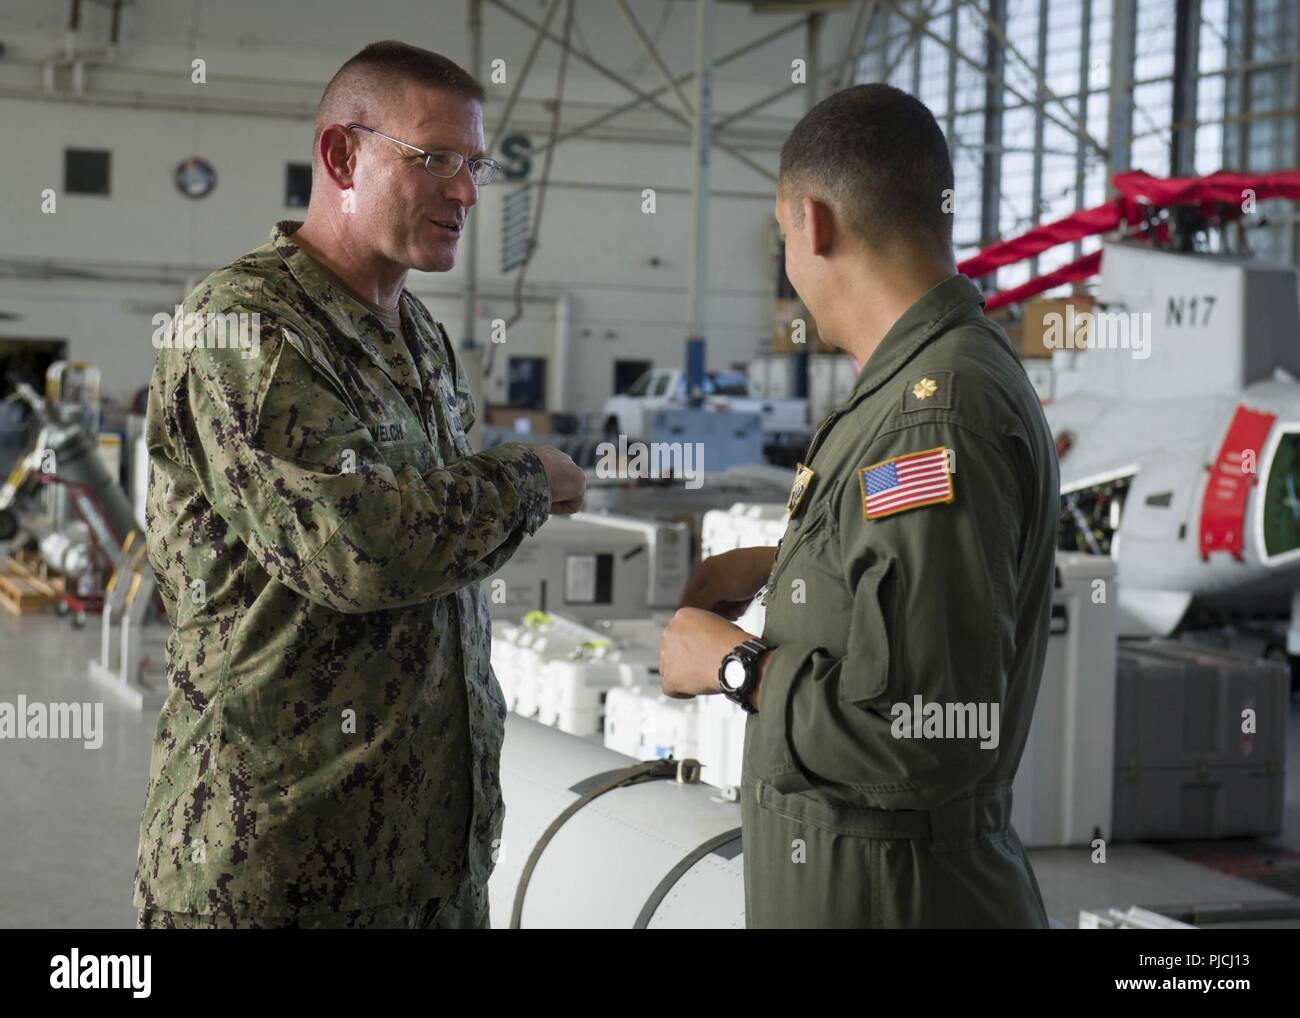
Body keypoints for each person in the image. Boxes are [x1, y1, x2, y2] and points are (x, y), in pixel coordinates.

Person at [134, 41, 586, 929]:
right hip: (273, 875)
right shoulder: (242, 328)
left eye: (476, 165)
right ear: (343, 156)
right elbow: (359, 550)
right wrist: (524, 476)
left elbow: (429, 550)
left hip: (426, 868)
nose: (465, 193)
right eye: (435, 160)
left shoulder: (417, 333)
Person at [659, 83, 1059, 928]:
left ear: (813, 222)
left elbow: (930, 729)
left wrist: (735, 665)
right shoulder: (921, 384)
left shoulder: (932, 412)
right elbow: (913, 579)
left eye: (781, 240)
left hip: (898, 900)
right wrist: (787, 567)